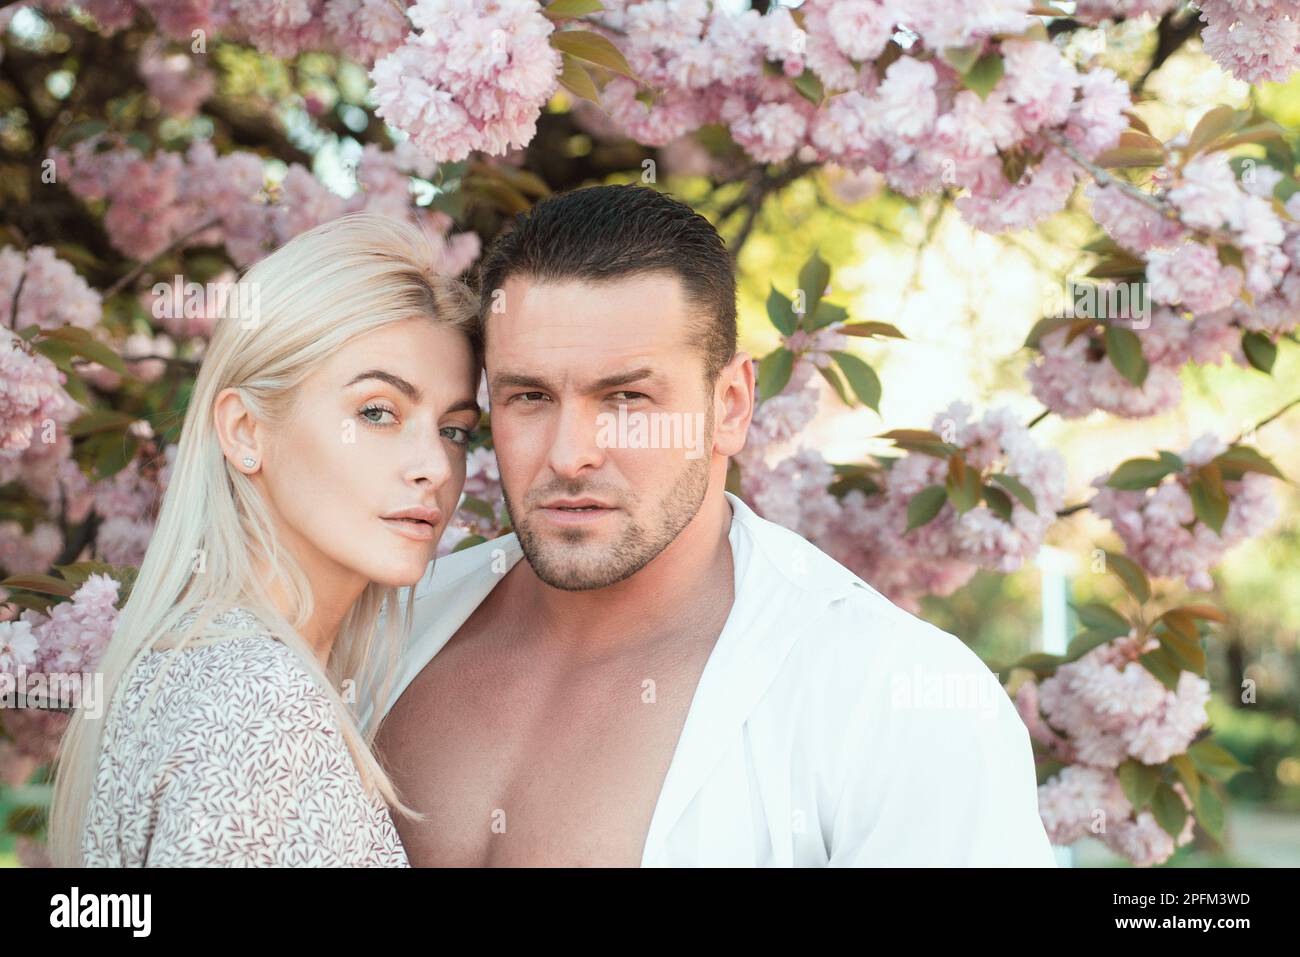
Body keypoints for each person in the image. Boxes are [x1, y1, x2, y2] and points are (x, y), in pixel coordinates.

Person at [369, 184, 1057, 867]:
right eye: (531, 396)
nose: (570, 453)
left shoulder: (890, 697)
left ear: (730, 405)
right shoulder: (381, 631)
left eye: (627, 397)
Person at [48, 212, 482, 866]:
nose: (435, 465)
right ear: (246, 430)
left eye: (454, 428)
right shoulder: (261, 696)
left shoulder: (192, 660)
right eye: (377, 411)